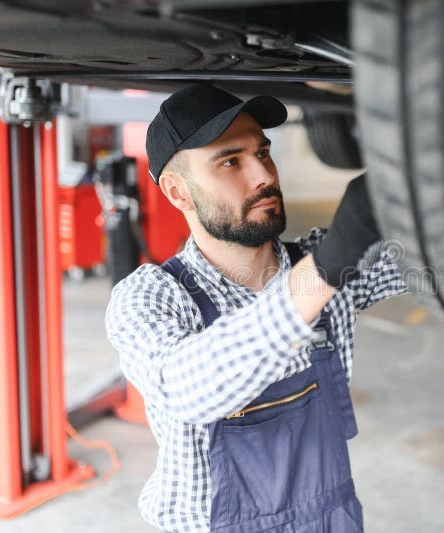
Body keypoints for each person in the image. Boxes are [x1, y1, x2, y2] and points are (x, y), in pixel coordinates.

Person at [105, 83, 406, 533]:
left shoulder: (322, 263)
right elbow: (185, 389)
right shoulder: (151, 298)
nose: (263, 174)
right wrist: (324, 271)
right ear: (178, 192)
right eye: (230, 162)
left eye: (262, 153)